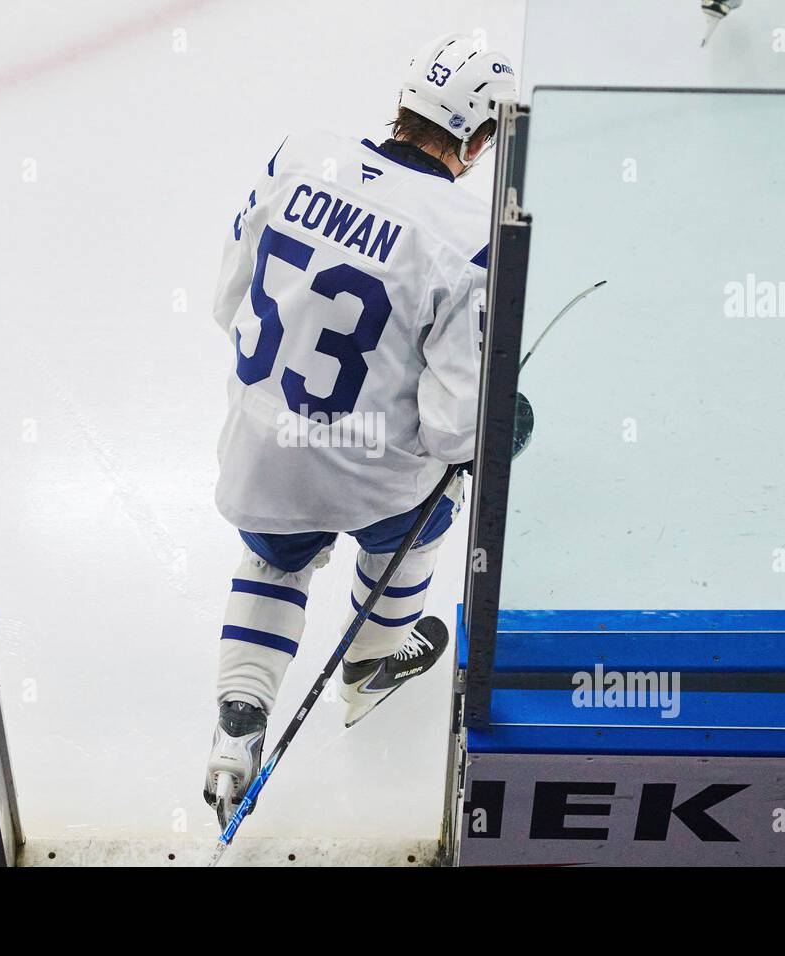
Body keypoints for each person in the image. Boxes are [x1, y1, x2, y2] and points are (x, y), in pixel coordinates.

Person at [203, 33, 518, 826]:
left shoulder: (301, 156)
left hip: (265, 449)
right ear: (479, 142)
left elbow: (224, 303)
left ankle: (234, 732)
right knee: (421, 520)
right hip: (377, 478)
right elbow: (453, 433)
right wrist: (501, 423)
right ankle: (374, 660)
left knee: (273, 561)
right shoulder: (467, 235)